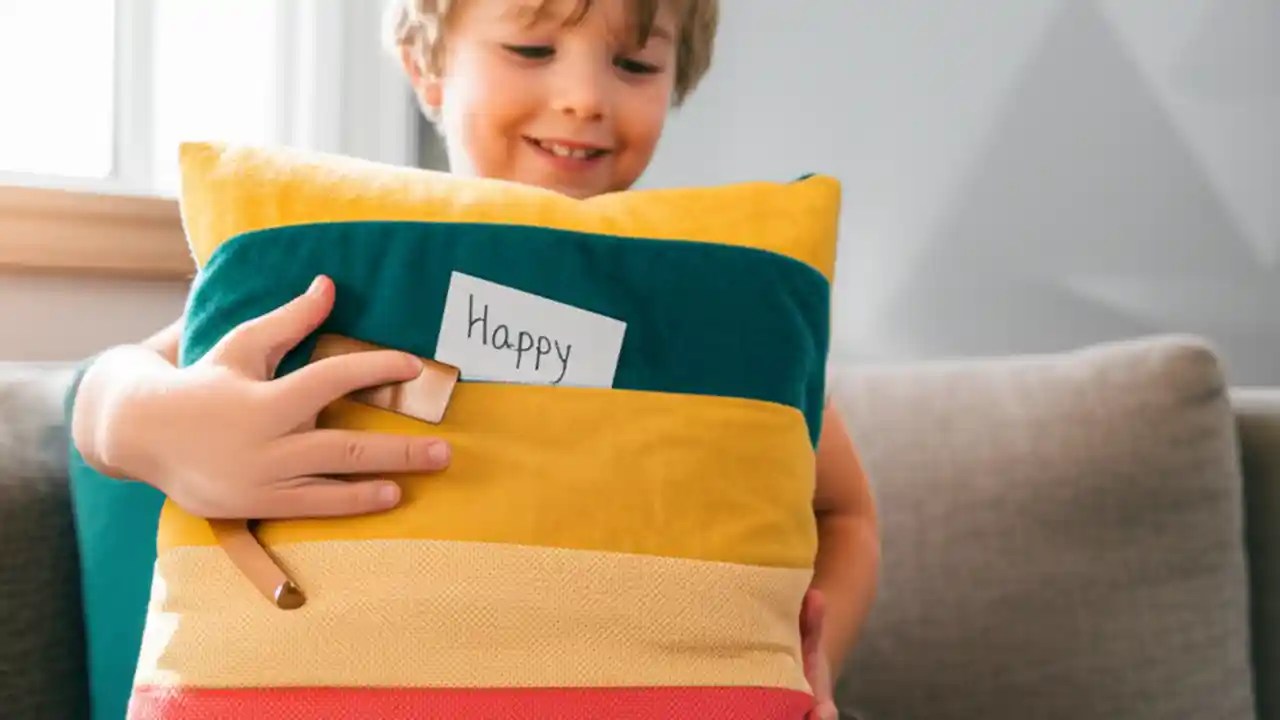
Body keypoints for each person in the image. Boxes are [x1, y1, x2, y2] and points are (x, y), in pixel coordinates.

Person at [71, 1, 879, 717]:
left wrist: (813, 666)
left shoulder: (721, 313)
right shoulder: (347, 266)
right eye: (531, 50)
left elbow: (845, 511)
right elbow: (106, 390)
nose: (585, 97)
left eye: (634, 63)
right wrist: (159, 422)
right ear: (428, 65)